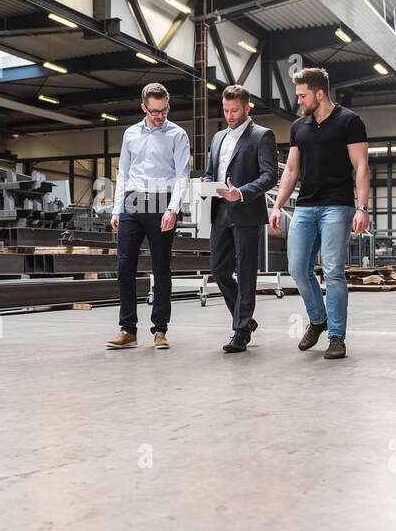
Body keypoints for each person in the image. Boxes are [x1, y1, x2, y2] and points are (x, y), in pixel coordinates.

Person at [269, 67, 369, 360]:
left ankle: (337, 336)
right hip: (305, 206)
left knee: (333, 270)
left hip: (337, 205)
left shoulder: (350, 122)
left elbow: (361, 166)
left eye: (302, 95)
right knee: (297, 268)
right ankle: (318, 319)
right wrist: (277, 204)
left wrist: (362, 207)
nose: (298, 101)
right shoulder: (299, 126)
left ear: (319, 93)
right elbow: (291, 169)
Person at [106, 82, 191, 350]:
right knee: (124, 267)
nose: (160, 115)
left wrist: (172, 208)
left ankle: (160, 330)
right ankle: (127, 329)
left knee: (160, 267)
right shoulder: (130, 134)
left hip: (161, 202)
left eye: (164, 109)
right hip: (132, 201)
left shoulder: (178, 135)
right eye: (155, 111)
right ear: (144, 107)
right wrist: (117, 208)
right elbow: (123, 173)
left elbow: (182, 175)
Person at [201, 85, 277, 353]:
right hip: (220, 212)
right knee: (219, 270)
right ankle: (245, 318)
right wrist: (205, 183)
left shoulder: (262, 136)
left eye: (234, 110)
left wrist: (241, 193)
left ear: (247, 108)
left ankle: (241, 330)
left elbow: (269, 176)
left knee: (245, 274)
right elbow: (212, 172)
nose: (229, 115)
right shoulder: (218, 137)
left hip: (246, 213)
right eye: (225, 110)